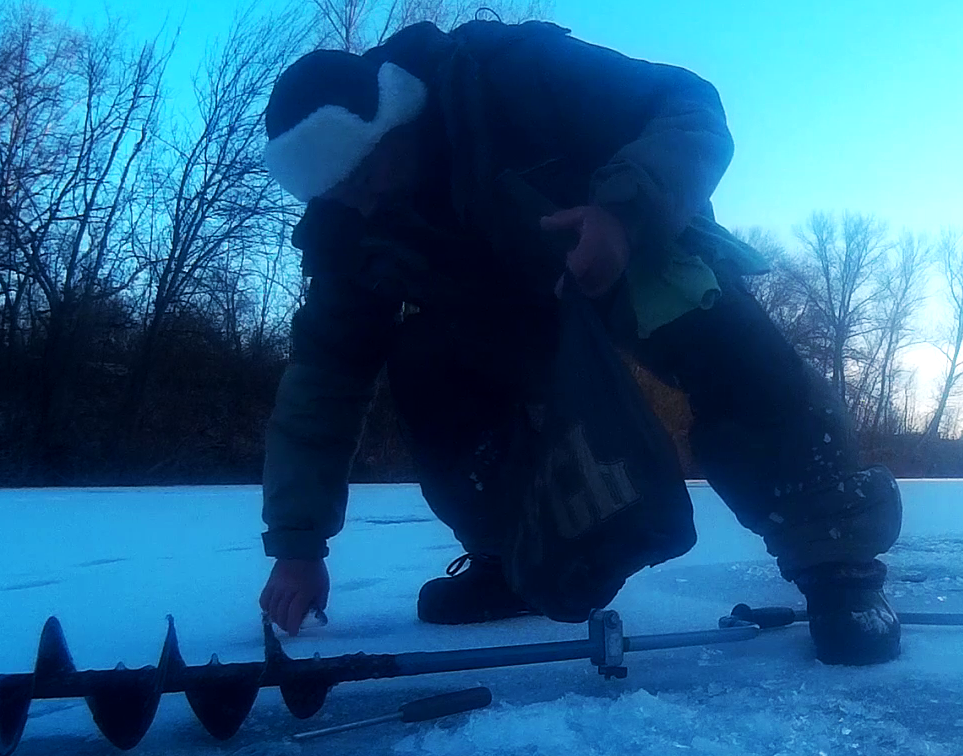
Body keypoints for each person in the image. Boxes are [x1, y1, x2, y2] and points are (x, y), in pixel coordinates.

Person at [256, 18, 905, 666]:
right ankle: (514, 560)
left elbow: (686, 106)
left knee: (723, 341)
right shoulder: (350, 224)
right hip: (509, 315)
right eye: (340, 197)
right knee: (423, 359)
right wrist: (298, 545)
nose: (362, 206)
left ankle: (836, 559)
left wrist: (622, 214)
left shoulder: (508, 73)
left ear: (396, 119)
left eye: (366, 178)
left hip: (630, 249)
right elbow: (323, 380)